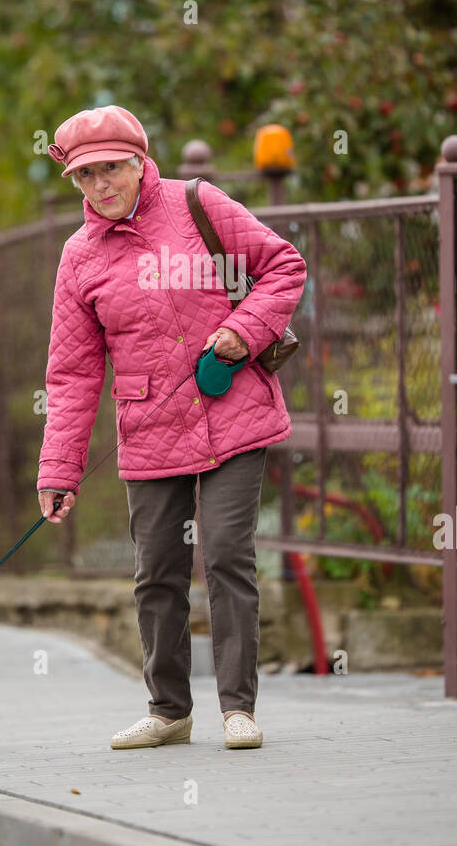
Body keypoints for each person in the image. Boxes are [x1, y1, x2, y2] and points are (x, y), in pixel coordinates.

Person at [36, 105, 306, 749]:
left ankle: (238, 708)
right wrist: (59, 470)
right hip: (149, 427)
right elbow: (72, 376)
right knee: (157, 570)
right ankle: (168, 711)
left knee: (226, 558)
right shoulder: (78, 258)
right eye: (84, 176)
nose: (99, 185)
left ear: (137, 161)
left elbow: (283, 265)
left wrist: (243, 332)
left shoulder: (197, 204)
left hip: (232, 413)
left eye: (109, 169)